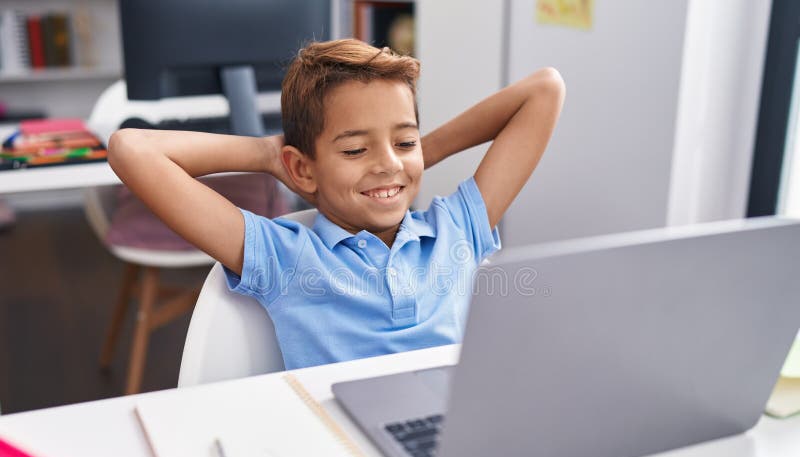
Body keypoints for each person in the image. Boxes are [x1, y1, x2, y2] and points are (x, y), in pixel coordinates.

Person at [107, 38, 565, 369]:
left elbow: (545, 90)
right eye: (354, 150)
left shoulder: (456, 230)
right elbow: (132, 150)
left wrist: (416, 155)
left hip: (453, 442)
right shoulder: (283, 256)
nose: (386, 164)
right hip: (343, 454)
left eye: (403, 140)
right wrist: (268, 155)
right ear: (302, 168)